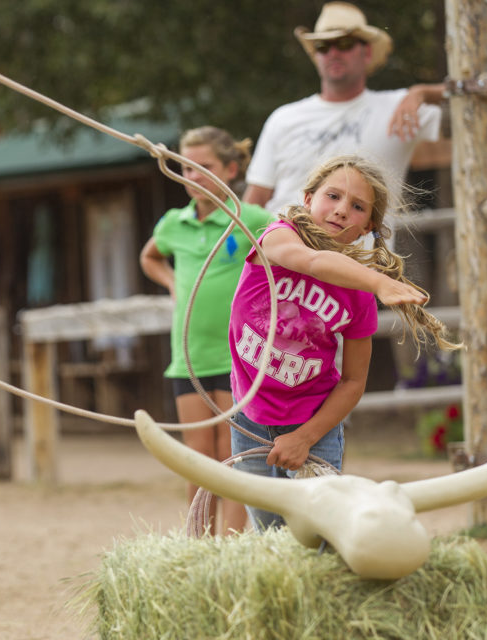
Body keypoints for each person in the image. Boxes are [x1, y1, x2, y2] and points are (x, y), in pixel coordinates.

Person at [229, 155, 461, 530]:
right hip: (249, 417)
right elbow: (313, 261)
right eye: (332, 196)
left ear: (369, 224)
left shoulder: (357, 295)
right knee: (267, 533)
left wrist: (304, 437)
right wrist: (379, 282)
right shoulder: (276, 236)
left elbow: (353, 381)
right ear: (308, 199)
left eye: (356, 207)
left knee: (318, 531)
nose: (340, 211)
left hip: (314, 422)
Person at [139, 126, 273, 535]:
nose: (193, 177)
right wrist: (172, 283)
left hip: (239, 356)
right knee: (198, 456)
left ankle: (229, 546)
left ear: (231, 169)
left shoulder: (252, 219)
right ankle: (198, 543)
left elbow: (283, 262)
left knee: (236, 456)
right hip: (189, 357)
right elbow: (150, 257)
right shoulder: (172, 223)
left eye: (205, 168)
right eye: (186, 168)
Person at [243, 2, 445, 218]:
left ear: (366, 52)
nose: (333, 53)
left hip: (361, 252)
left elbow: (472, 94)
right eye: (323, 46)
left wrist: (422, 93)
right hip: (282, 249)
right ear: (316, 55)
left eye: (344, 43)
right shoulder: (282, 118)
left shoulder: (400, 108)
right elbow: (254, 201)